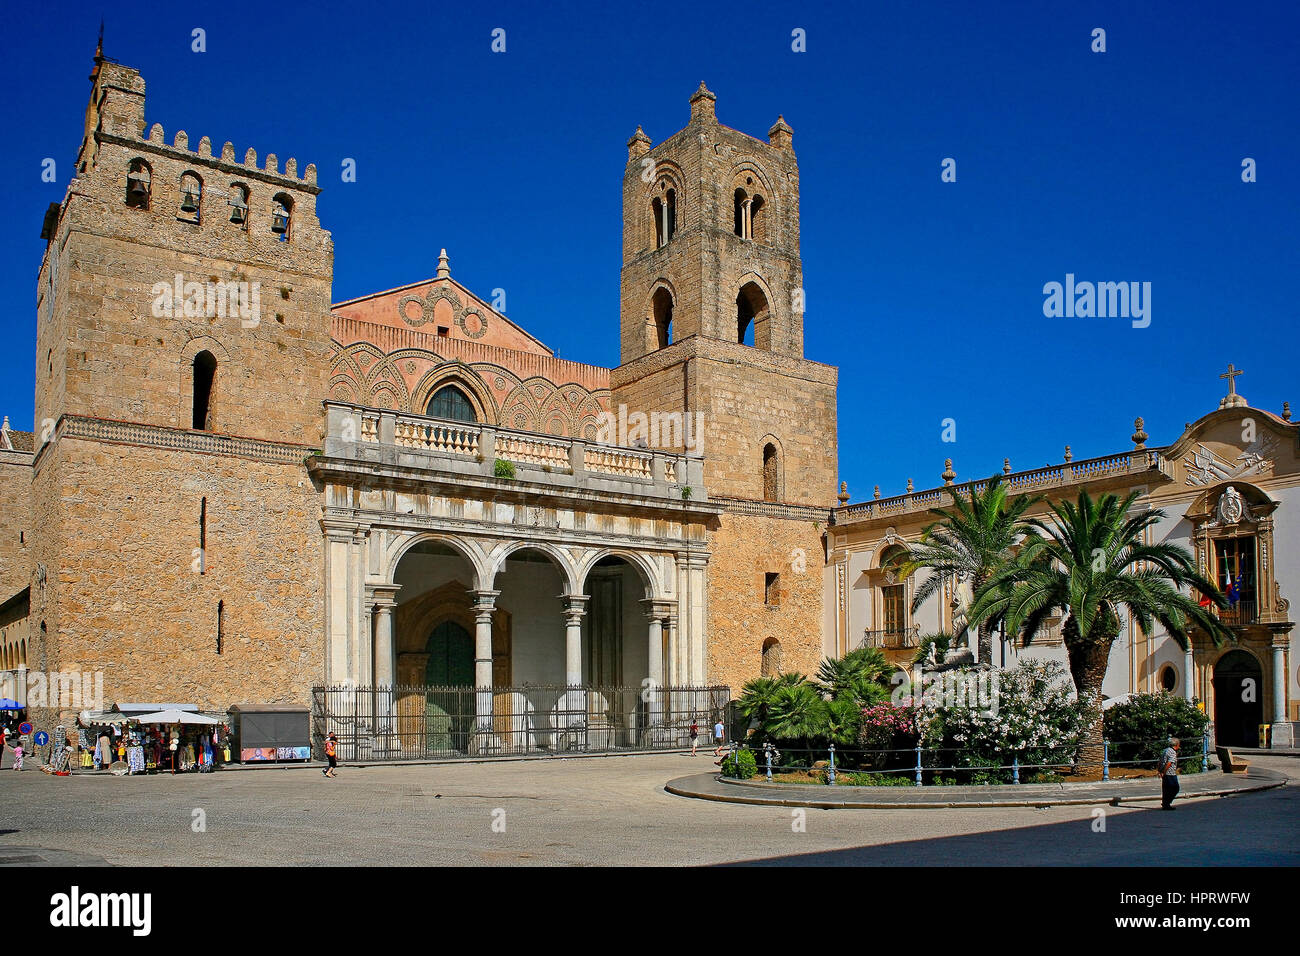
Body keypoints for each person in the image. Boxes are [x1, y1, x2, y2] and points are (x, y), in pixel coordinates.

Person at [1158, 737, 1181, 810]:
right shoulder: (1173, 752)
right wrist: (1164, 772)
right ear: (1176, 745)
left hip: (1165, 773)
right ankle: (1167, 803)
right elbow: (1169, 763)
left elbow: (1160, 761)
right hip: (1170, 773)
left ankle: (1165, 804)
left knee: (1166, 789)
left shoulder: (1166, 750)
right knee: (1175, 788)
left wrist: (1160, 771)